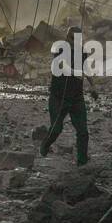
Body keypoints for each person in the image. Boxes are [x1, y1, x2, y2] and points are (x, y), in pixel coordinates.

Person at [39, 26, 96, 166]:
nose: (73, 41)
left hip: (77, 98)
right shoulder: (60, 49)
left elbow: (86, 68)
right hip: (59, 97)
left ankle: (82, 162)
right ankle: (45, 144)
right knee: (56, 128)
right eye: (71, 38)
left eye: (76, 39)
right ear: (67, 38)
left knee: (83, 131)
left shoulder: (82, 52)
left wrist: (93, 86)